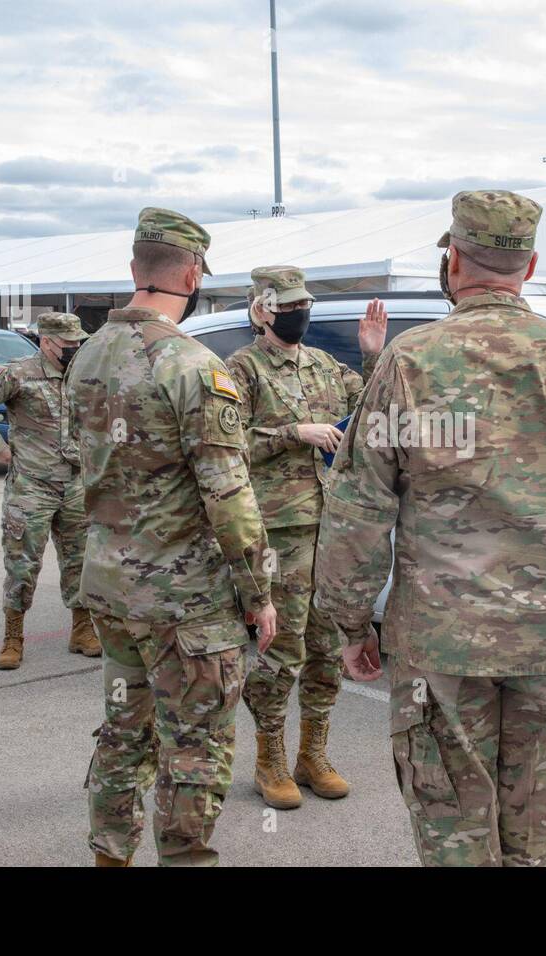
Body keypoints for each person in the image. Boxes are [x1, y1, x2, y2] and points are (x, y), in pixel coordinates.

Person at [313, 190, 546, 866]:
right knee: (539, 839)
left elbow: (359, 509)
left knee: (455, 840)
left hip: (442, 649)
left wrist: (352, 624)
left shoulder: (408, 363)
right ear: (528, 266)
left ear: (452, 262)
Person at [66, 207, 276, 867]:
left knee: (124, 734)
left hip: (111, 588)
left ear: (135, 268)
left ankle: (110, 856)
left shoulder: (87, 356)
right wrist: (259, 593)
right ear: (190, 273)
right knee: (196, 747)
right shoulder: (193, 366)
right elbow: (228, 494)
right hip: (184, 602)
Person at [224, 267, 387, 809]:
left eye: (304, 305)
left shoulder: (322, 365)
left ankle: (312, 753)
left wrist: (371, 355)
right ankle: (269, 756)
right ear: (262, 310)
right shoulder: (241, 369)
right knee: (283, 646)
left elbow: (372, 415)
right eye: (289, 306)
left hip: (331, 523)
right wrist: (294, 432)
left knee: (325, 644)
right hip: (279, 529)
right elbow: (225, 447)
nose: (300, 314)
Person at [0, 311, 98, 668]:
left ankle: (82, 630)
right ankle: (13, 637)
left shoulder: (83, 374)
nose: (73, 349)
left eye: (77, 343)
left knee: (80, 561)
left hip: (75, 484)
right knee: (22, 564)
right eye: (67, 344)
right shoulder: (19, 373)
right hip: (31, 486)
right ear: (46, 341)